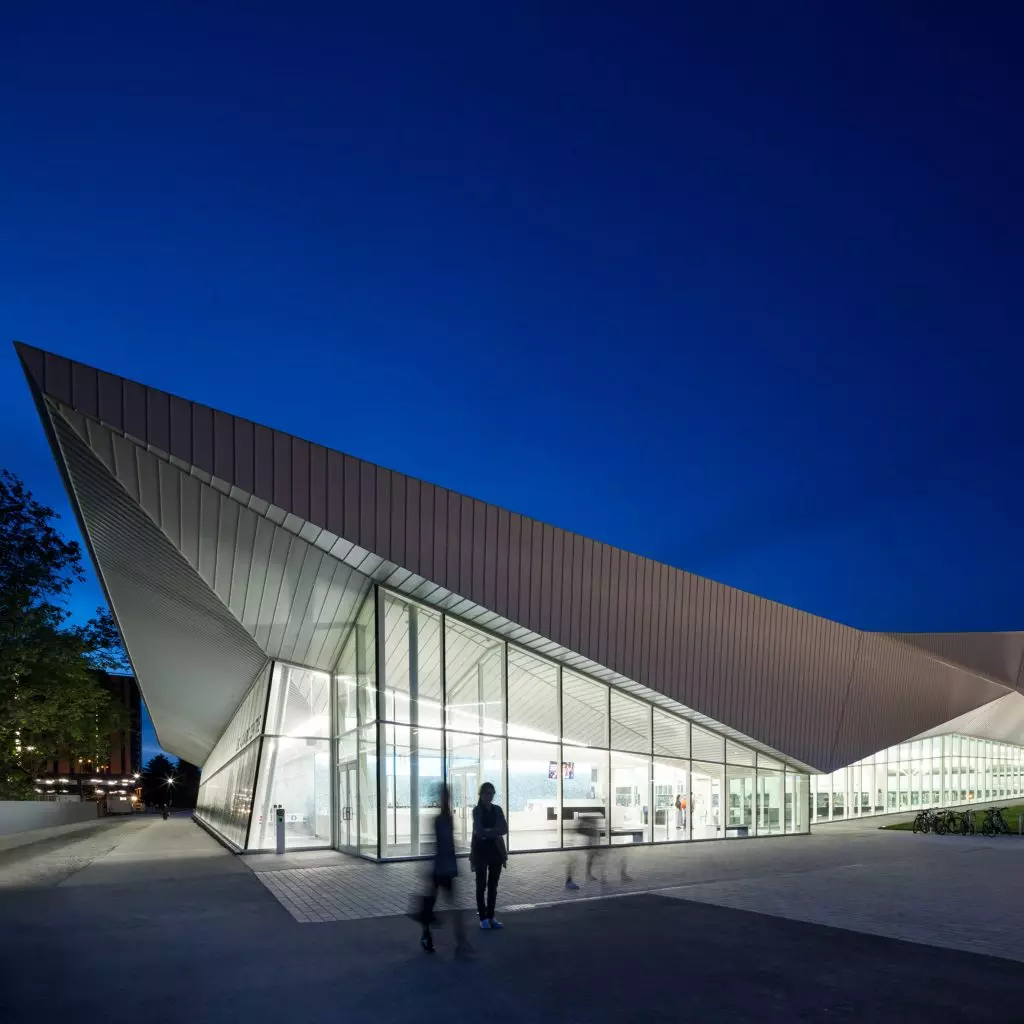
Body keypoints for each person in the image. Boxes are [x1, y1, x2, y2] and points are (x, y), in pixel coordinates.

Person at [418, 784, 470, 955]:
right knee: (441, 906)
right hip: (441, 867)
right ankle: (452, 940)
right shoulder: (441, 820)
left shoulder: (446, 819)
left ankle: (452, 940)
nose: (446, 800)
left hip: (444, 867)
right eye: (444, 797)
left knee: (444, 906)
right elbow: (441, 845)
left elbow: (447, 845)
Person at [471, 782, 507, 930]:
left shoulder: (497, 809)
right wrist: (494, 831)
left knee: (493, 886)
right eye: (486, 793)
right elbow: (478, 830)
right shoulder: (477, 810)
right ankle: (483, 918)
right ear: (481, 795)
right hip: (480, 851)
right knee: (481, 885)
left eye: (491, 792)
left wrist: (488, 832)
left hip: (496, 852)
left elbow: (504, 828)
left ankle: (491, 916)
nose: (489, 795)